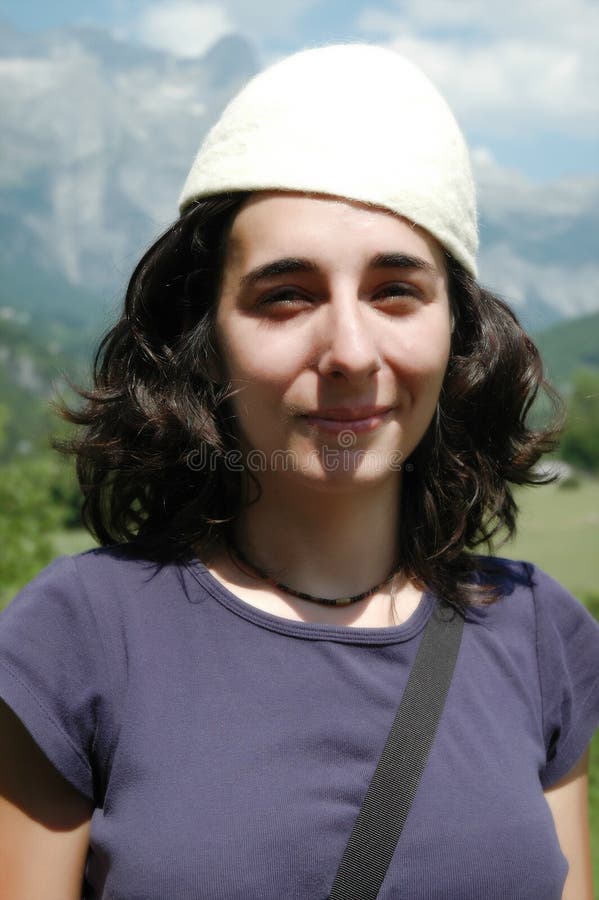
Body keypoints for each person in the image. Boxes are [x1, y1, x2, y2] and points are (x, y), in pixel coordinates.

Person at [0, 43, 597, 900]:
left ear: (458, 336)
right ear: (204, 342)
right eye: (287, 294)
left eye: (396, 290)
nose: (350, 351)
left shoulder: (537, 634)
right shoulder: (74, 640)